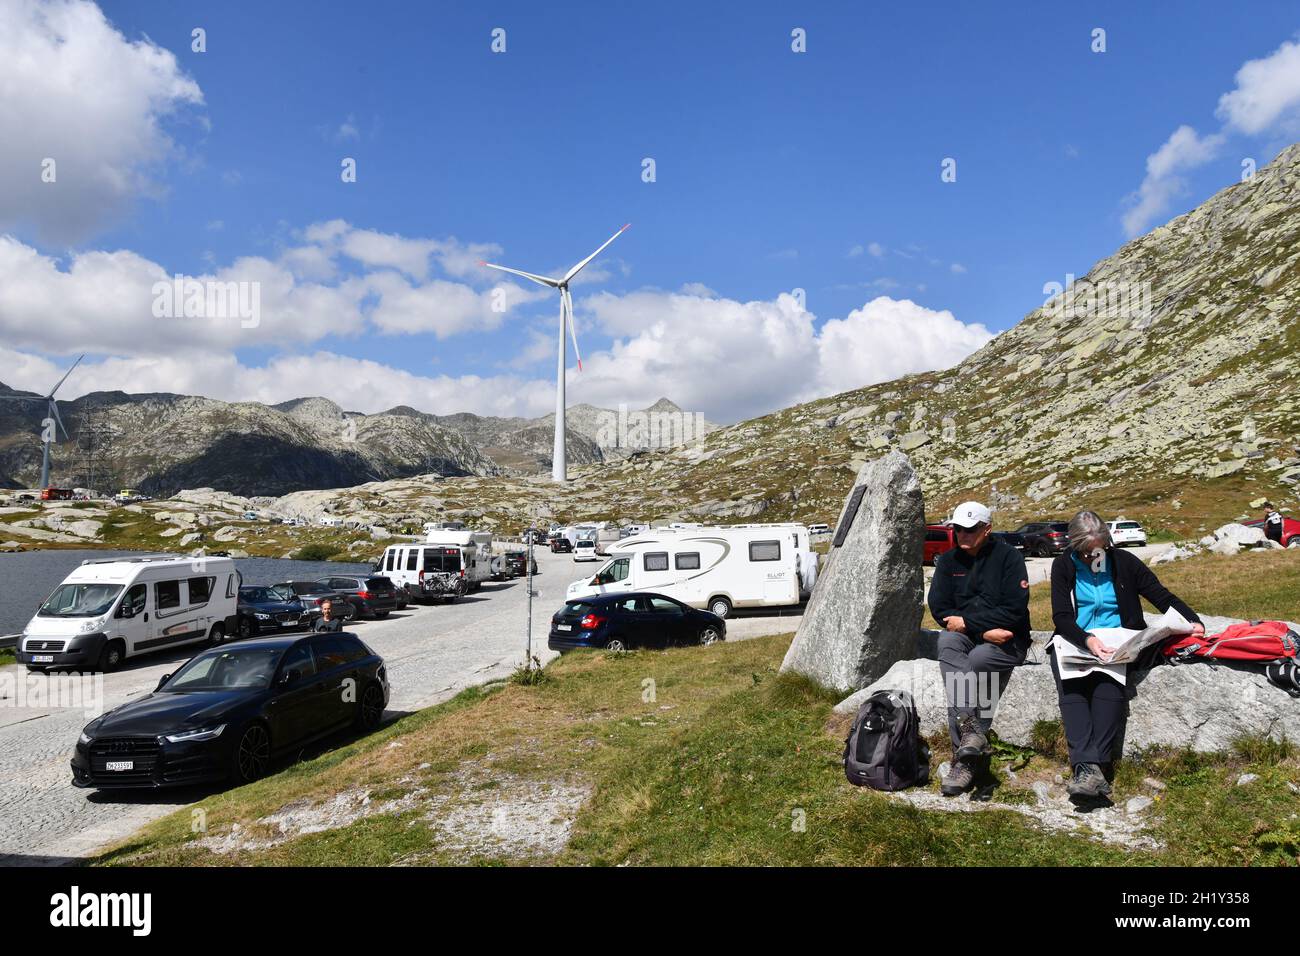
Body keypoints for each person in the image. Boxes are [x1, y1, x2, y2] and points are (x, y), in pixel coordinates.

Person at [1049, 510, 1204, 803]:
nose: (1093, 556)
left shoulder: (1125, 563)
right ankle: (1089, 769)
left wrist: (1193, 621)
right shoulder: (1062, 566)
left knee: (1109, 687)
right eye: (1086, 552)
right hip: (1076, 640)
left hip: (1119, 640)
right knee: (1072, 688)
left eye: (1100, 549)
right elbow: (1061, 616)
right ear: (1074, 546)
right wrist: (1088, 640)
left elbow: (1161, 596)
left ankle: (1090, 769)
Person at [927, 501, 1032, 797]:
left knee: (977, 659)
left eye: (970, 529)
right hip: (976, 635)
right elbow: (940, 609)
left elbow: (1014, 610)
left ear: (987, 529)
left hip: (1007, 641)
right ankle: (971, 734)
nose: (963, 534)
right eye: (958, 528)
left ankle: (964, 760)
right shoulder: (947, 562)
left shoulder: (1010, 558)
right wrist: (982, 629)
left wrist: (969, 622)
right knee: (947, 643)